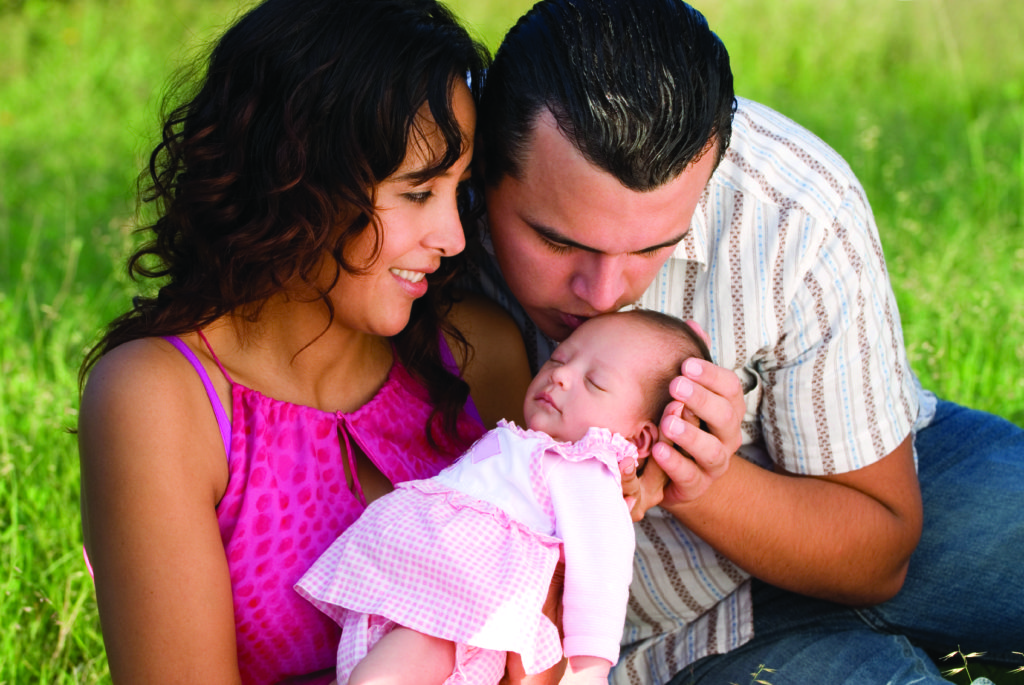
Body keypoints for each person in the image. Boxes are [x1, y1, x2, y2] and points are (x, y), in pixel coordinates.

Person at [468, 0, 1024, 683]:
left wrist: (701, 481)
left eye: (654, 247)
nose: (606, 290)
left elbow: (881, 550)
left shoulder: (790, 209)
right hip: (659, 644)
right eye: (557, 241)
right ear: (482, 170)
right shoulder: (427, 186)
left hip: (841, 488)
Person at [75, 1, 539, 682]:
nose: (454, 238)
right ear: (302, 175)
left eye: (457, 191)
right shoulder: (162, 398)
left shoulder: (477, 354)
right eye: (417, 193)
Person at [295, 311, 713, 685]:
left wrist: (588, 668)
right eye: (559, 359)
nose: (561, 377)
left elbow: (601, 566)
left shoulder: (586, 466)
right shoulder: (524, 443)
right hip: (429, 591)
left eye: (594, 381)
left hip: (463, 611)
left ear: (639, 439)